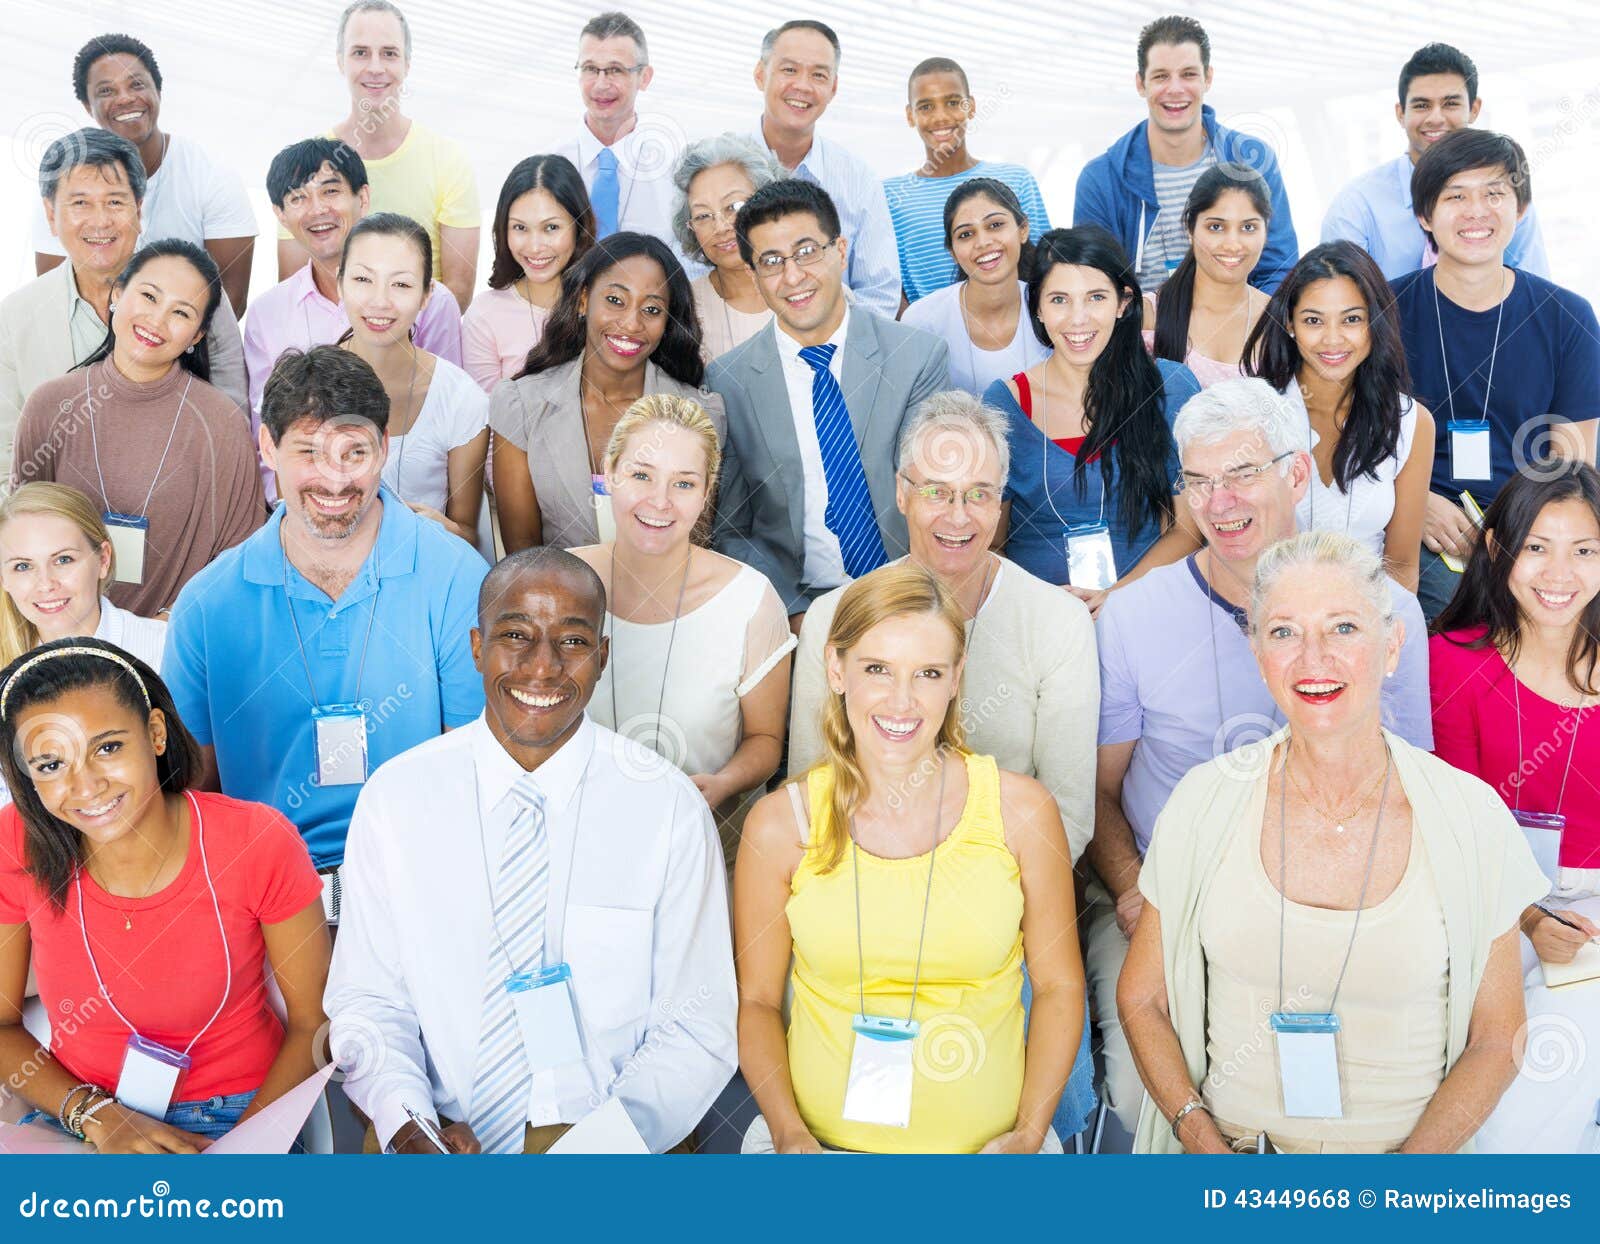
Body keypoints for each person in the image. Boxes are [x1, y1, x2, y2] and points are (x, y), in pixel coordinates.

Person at [1119, 531, 1544, 1153]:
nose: (1312, 657)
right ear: (1257, 653)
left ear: (1392, 645)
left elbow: (1498, 1035)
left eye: (1344, 628)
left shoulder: (1469, 815)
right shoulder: (1204, 800)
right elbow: (1142, 996)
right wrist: (1199, 1138)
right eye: (1284, 632)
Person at [1086, 378, 1434, 1138]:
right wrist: (1132, 888)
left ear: (1297, 473)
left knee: (1368, 1091)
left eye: (1241, 474)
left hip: (1338, 900)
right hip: (1165, 901)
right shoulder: (1135, 617)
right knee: (1142, 1093)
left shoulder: (1386, 612)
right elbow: (1099, 795)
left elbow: (1416, 786)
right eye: (1199, 481)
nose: (1220, 502)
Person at [326, 547, 736, 1154]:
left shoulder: (667, 810)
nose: (541, 668)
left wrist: (596, 1151)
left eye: (571, 642)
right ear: (475, 647)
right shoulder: (397, 798)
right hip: (443, 1136)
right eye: (515, 635)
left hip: (606, 1144)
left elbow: (695, 1025)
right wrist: (405, 1119)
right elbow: (368, 1000)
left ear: (602, 656)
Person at [735, 562, 1085, 1153]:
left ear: (956, 680)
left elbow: (1059, 989)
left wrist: (1028, 1136)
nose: (902, 701)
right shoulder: (778, 827)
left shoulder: (1022, 813)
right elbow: (758, 1003)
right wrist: (790, 1136)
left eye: (927, 673)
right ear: (836, 669)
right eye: (877, 669)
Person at [162, 347, 487, 917]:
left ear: (384, 449)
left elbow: (475, 768)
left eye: (354, 453)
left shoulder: (458, 577)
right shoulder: (207, 605)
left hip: (422, 883)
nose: (335, 479)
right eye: (309, 452)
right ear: (267, 447)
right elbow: (193, 792)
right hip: (260, 895)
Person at [0, 640, 330, 1152]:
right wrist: (97, 1116)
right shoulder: (16, 842)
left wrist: (239, 1156)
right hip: (84, 1116)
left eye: (107, 747)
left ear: (155, 733)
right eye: (50, 765)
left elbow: (314, 1023)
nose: (85, 786)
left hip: (240, 1117)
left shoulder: (256, 842)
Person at [789, 391, 1097, 860]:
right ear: (902, 492)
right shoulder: (832, 618)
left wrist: (971, 911)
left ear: (1000, 503)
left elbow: (1067, 817)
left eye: (978, 493)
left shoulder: (1059, 622)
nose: (958, 515)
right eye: (936, 490)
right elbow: (810, 794)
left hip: (1003, 891)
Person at [1429, 463, 1600, 1153]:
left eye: (1583, 550)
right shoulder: (1453, 660)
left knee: (1561, 1033)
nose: (1559, 572)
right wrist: (1528, 916)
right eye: (1537, 546)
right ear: (1497, 551)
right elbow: (1454, 825)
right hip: (1485, 899)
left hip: (1592, 906)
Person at [709, 180, 950, 622]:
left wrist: (912, 601)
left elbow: (934, 497)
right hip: (795, 607)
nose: (793, 276)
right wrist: (793, 615)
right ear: (753, 274)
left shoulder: (916, 358)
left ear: (840, 250)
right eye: (771, 261)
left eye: (806, 252)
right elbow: (732, 528)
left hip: (906, 593)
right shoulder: (729, 380)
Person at [571, 395, 792, 869]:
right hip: (575, 850)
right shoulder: (558, 583)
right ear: (609, 472)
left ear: (708, 488)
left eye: (684, 483)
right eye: (641, 475)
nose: (659, 501)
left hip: (699, 856)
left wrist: (725, 783)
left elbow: (766, 741)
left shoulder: (752, 601)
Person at [1390, 129, 1600, 620]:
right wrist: (1416, 503)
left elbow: (1570, 462)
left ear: (1520, 207)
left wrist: (1517, 533)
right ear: (1425, 214)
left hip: (1529, 526)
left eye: (1494, 194)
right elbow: (1356, 437)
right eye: (1456, 196)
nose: (1476, 212)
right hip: (1417, 519)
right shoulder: (1385, 311)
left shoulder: (1567, 316)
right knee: (1452, 609)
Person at [12, 240, 265, 620]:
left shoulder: (221, 424)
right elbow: (22, 538)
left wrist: (167, 625)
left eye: (181, 312)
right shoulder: (49, 406)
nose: (157, 321)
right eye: (149, 296)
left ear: (197, 335)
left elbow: (241, 557)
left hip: (172, 645)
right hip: (60, 641)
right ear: (117, 293)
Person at [984, 227, 1202, 612]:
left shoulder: (1171, 386)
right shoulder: (1004, 402)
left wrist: (1115, 599)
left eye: (1096, 297)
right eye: (1059, 300)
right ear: (1037, 307)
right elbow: (991, 543)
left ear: (1123, 302)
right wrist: (1052, 608)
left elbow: (1189, 527)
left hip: (1146, 609)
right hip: (1038, 619)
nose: (1078, 319)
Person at [0, 129, 248, 464]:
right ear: (51, 216)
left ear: (139, 209)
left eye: (115, 201)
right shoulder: (14, 318)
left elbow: (232, 425)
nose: (100, 221)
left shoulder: (198, 294)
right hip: (59, 509)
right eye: (80, 203)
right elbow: (6, 454)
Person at [490, 233, 723, 554]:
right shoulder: (521, 404)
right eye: (615, 300)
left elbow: (696, 546)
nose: (631, 323)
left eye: (652, 309)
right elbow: (524, 554)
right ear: (583, 300)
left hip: (667, 599)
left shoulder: (702, 412)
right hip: (559, 598)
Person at [246, 137, 464, 455]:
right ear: (280, 214)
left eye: (330, 191)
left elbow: (450, 412)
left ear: (362, 197)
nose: (318, 209)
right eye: (298, 198)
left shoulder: (432, 301)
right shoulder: (267, 313)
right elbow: (267, 433)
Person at [1246, 241, 1435, 592]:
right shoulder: (1252, 414)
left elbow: (1403, 567)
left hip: (1369, 622)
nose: (1332, 340)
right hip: (1271, 616)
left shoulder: (1412, 422)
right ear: (1290, 323)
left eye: (1351, 319)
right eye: (1314, 320)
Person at [31, 34, 256, 317]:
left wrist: (156, 354)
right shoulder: (63, 187)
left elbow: (230, 301)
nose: (125, 98)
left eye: (136, 84)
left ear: (158, 92)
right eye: (106, 91)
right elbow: (56, 299)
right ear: (88, 107)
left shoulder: (213, 175)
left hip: (189, 347)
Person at [1073, 15, 1296, 295]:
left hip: (1244, 332)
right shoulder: (1100, 180)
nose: (1175, 89)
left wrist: (1248, 330)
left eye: (1188, 74)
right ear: (1141, 84)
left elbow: (1279, 270)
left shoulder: (1254, 161)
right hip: (1141, 334)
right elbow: (1096, 286)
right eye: (1161, 76)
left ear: (1208, 78)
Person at [280, 1, 478, 311]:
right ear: (340, 61)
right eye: (360, 52)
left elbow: (458, 292)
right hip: (329, 354)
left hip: (418, 350)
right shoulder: (301, 169)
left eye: (389, 53)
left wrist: (389, 341)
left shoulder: (449, 160)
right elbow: (294, 290)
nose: (375, 67)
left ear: (407, 64)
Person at [1322, 43, 1549, 281]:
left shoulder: (1505, 198)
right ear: (1400, 113)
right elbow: (1339, 303)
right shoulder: (1356, 204)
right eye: (1422, 105)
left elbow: (1534, 291)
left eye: (1451, 104)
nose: (1436, 118)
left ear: (1473, 109)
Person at [335, 213, 488, 545]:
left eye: (401, 284)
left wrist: (437, 527)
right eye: (363, 280)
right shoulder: (301, 386)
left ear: (426, 295)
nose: (379, 301)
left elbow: (469, 536)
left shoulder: (461, 399)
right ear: (340, 282)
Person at [748, 21, 900, 316]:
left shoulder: (858, 179)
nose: (803, 86)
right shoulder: (715, 170)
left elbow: (879, 292)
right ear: (760, 75)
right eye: (789, 69)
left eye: (818, 74)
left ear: (833, 87)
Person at [884, 57, 1052, 306]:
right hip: (928, 338)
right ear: (910, 116)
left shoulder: (1017, 180)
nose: (941, 117)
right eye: (926, 107)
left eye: (953, 102)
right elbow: (887, 285)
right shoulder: (889, 196)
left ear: (971, 107)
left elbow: (1046, 267)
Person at [900, 179, 1049, 395]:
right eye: (966, 234)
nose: (983, 242)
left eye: (995, 225)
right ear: (952, 251)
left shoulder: (1051, 307)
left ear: (1023, 230)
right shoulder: (921, 321)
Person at [462, 155, 595, 393]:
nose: (535, 247)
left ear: (579, 227)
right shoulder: (484, 315)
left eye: (551, 228)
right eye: (520, 228)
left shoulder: (606, 303)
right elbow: (487, 416)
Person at [0, 484, 167, 672]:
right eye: (23, 566)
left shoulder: (165, 652)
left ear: (103, 560)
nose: (46, 584)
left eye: (64, 560)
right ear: (3, 578)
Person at [553, 12, 677, 250]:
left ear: (645, 77)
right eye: (590, 68)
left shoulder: (675, 170)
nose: (601, 84)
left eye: (615, 70)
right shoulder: (549, 163)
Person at [1143, 164, 1272, 387]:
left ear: (1266, 231)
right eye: (1216, 227)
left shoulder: (1278, 320)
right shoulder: (1148, 315)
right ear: (1189, 229)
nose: (1232, 244)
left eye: (1248, 228)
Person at [673, 134, 782, 360]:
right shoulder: (684, 310)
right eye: (703, 215)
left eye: (734, 206)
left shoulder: (814, 286)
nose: (720, 227)